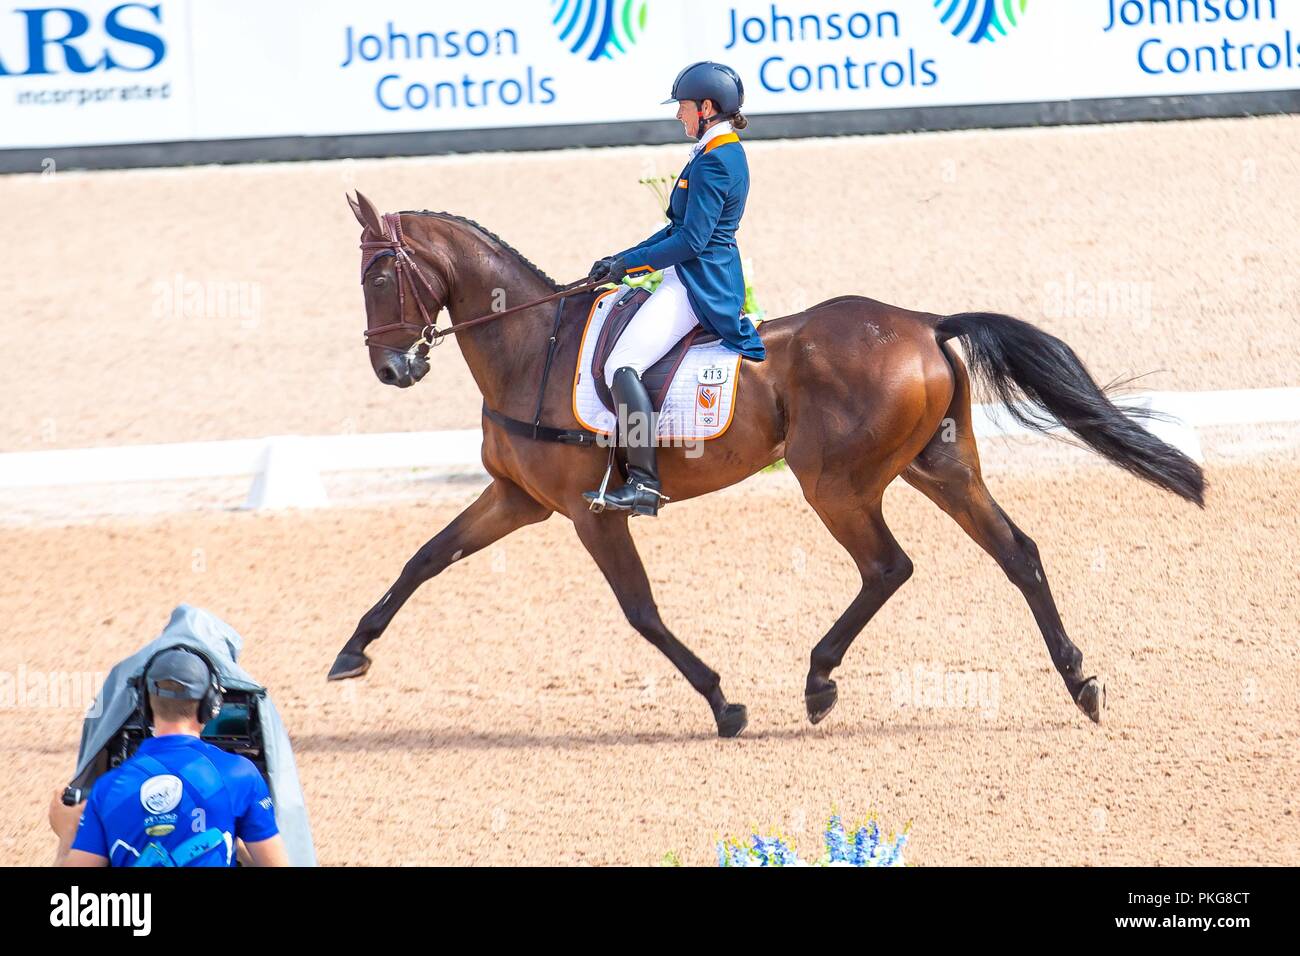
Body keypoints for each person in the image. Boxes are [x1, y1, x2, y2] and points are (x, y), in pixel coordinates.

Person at [583, 61, 765, 517]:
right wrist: (619, 261)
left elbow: (691, 241)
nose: (678, 116)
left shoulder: (718, 159)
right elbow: (675, 227)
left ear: (707, 108)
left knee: (622, 363)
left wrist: (628, 264)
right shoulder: (710, 151)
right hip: (687, 272)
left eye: (683, 107)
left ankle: (644, 482)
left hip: (697, 282)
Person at [47, 647, 290, 867]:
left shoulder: (107, 789)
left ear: (145, 705)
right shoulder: (240, 774)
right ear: (211, 706)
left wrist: (68, 834)